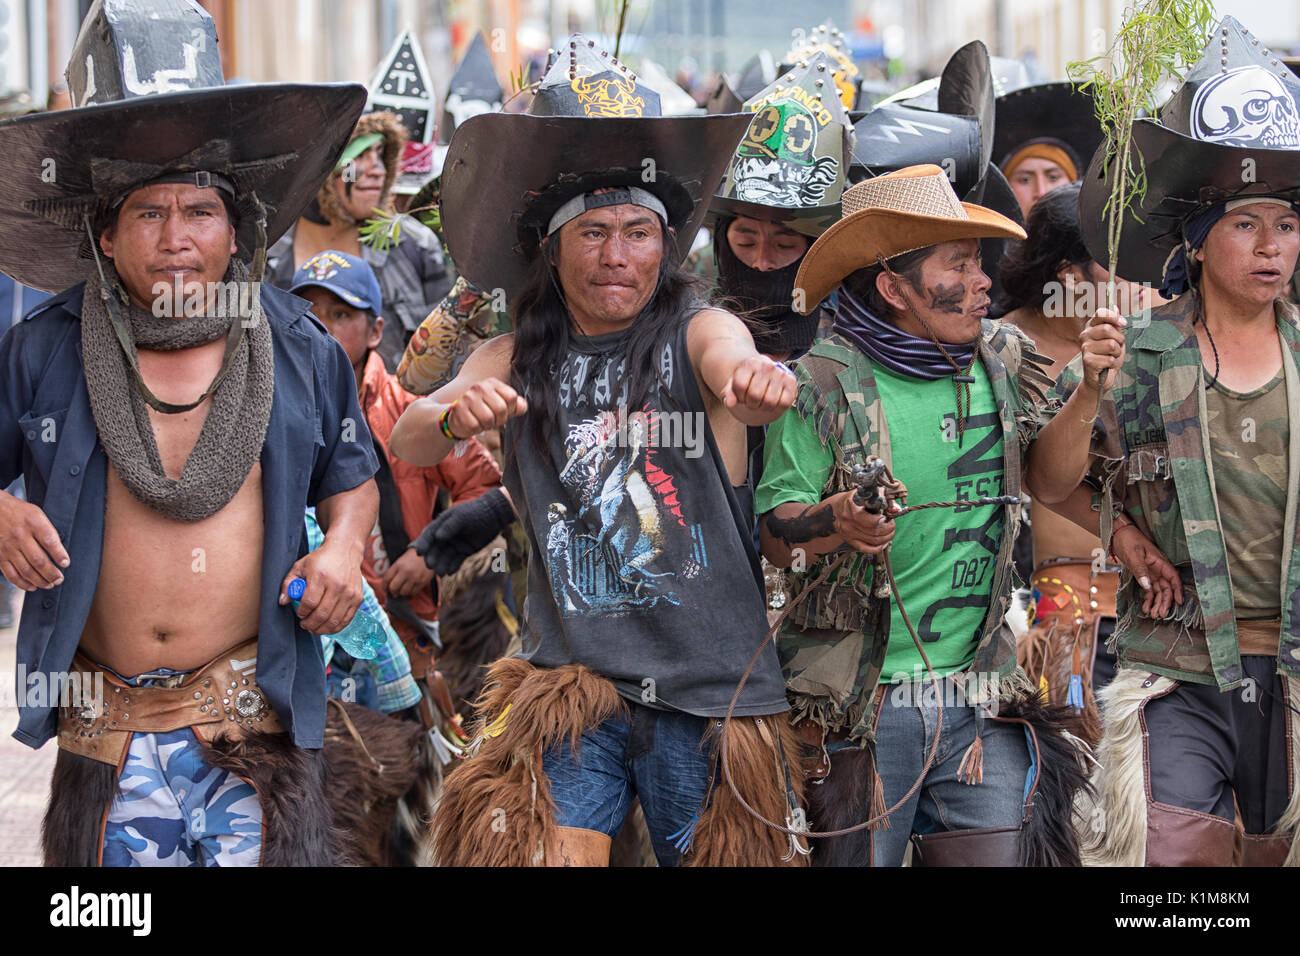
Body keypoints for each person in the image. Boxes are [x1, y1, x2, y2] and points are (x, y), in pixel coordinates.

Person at [389, 36, 806, 868]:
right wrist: (456, 413)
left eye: (636, 233)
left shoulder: (698, 331)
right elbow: (410, 429)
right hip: (574, 692)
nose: (617, 257)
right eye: (593, 235)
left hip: (709, 694)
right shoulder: (515, 354)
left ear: (668, 246)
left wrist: (752, 382)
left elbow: (733, 359)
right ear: (551, 248)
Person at [0, 0, 379, 866]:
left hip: (253, 730)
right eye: (148, 214)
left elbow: (349, 477)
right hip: (106, 738)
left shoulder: (296, 345)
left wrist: (343, 551)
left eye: (199, 213)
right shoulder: (44, 349)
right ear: (104, 233)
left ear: (235, 228)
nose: (177, 240)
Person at [755, 164, 1088, 867]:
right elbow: (775, 534)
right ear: (893, 288)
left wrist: (1093, 390)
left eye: (979, 263)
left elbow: (1053, 482)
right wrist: (837, 520)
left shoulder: (1004, 357)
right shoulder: (818, 381)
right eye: (958, 265)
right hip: (856, 711)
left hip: (982, 696)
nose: (983, 283)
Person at [1026, 16, 1300, 866]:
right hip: (1177, 665)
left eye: (1286, 225)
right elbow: (1053, 480)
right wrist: (1122, 525)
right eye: (1246, 224)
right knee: (1175, 868)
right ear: (1197, 236)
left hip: (1291, 672)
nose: (1271, 247)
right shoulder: (1140, 350)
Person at [288, 249, 502, 700]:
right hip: (304, 627)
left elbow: (483, 483)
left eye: (342, 313)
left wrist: (430, 555)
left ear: (376, 330)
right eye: (308, 312)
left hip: (404, 628)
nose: (321, 327)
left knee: (402, 754)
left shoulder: (408, 411)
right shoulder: (272, 407)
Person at [999, 183, 1168, 745]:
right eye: (1119, 268)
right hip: (1039, 617)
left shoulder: (1150, 342)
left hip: (1151, 612)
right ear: (1070, 276)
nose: (1138, 286)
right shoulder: (995, 351)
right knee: (1065, 768)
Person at [266, 111, 451, 372]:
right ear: (321, 168)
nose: (378, 170)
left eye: (380, 154)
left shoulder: (413, 244)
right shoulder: (266, 249)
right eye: (361, 154)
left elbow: (447, 352)